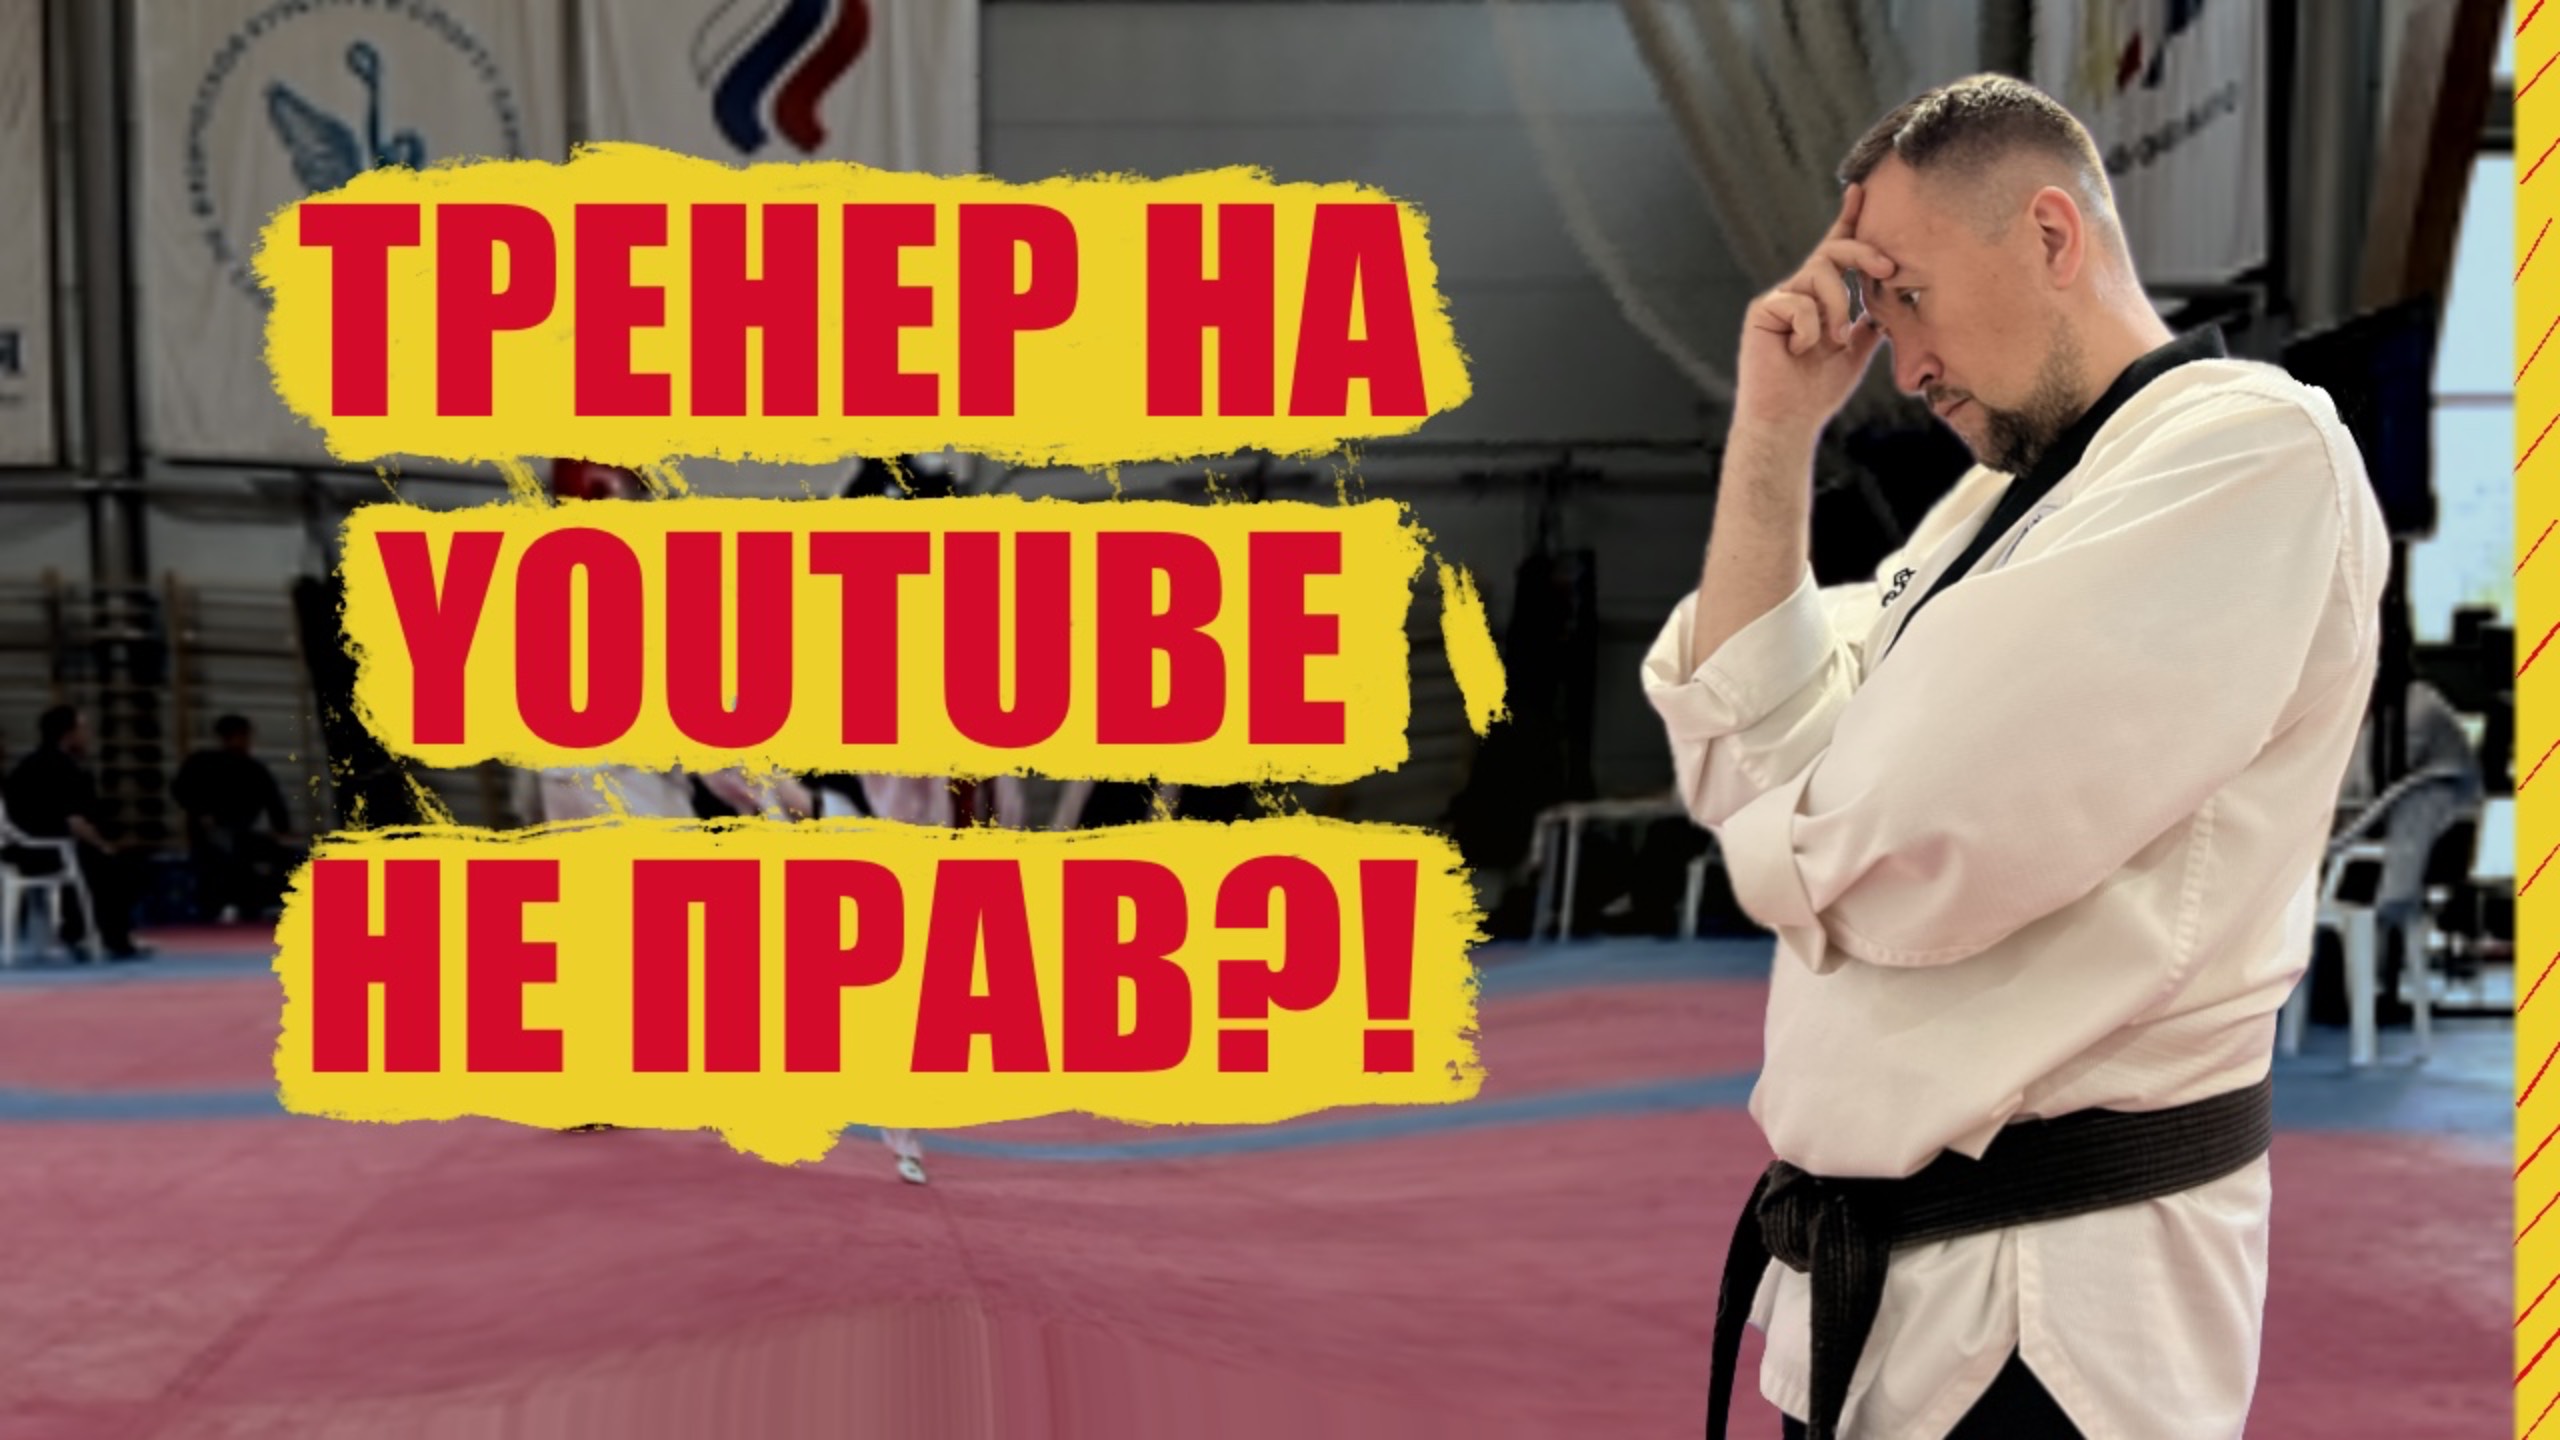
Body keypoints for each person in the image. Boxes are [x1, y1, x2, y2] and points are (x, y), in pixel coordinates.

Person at [1640, 76, 2387, 1440]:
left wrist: (1805, 831)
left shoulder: (2246, 452)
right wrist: (1775, 429)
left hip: (2047, 1321)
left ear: (2050, 235)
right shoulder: (1998, 499)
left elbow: (1906, 847)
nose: (1902, 363)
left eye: (1910, 296)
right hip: (1888, 1305)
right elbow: (1753, 756)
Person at [2, 706, 150, 960]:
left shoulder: (36, 762)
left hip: (29, 848)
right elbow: (75, 822)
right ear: (68, 734)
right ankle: (112, 938)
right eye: (83, 728)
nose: (88, 734)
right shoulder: (59, 767)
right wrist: (104, 845)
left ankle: (79, 931)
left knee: (107, 861)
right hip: (43, 852)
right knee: (122, 865)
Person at [171, 714, 302, 923]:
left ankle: (263, 904)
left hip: (241, 833)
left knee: (282, 855)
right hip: (208, 834)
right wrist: (201, 813)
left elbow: (274, 802)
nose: (247, 741)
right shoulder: (202, 762)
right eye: (243, 736)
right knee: (223, 857)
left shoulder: (253, 768)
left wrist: (282, 831)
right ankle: (224, 907)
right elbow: (180, 790)